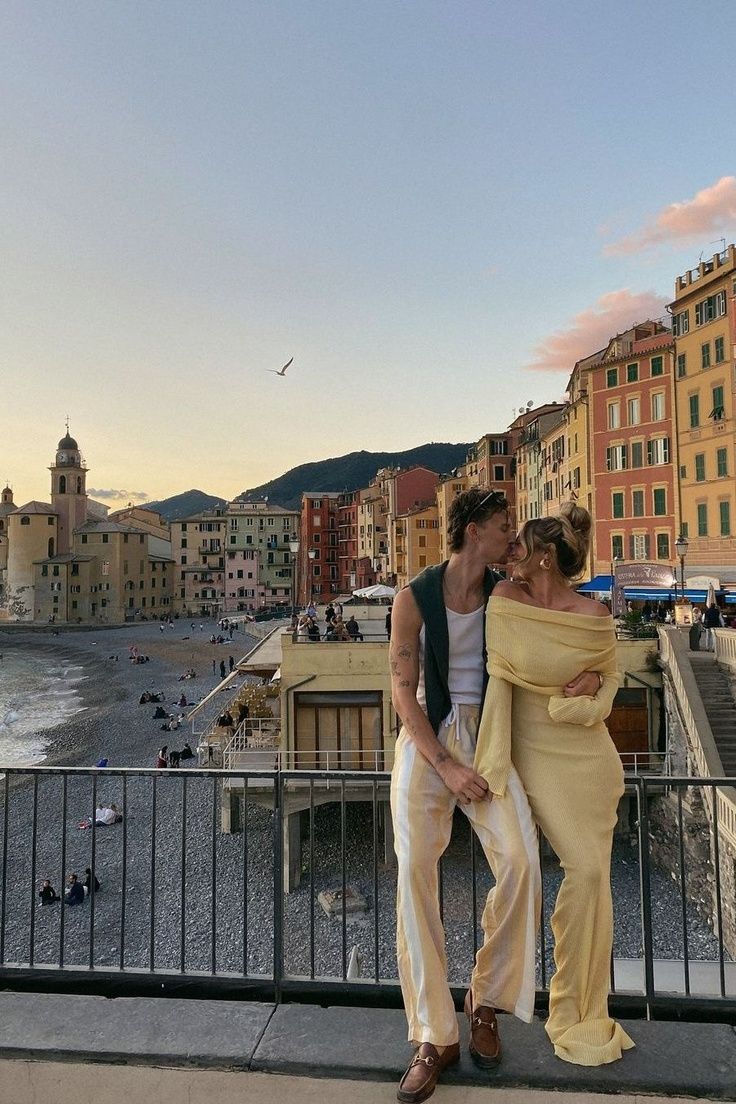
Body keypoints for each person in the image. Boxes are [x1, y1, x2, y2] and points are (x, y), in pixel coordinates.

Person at [475, 504, 635, 1067]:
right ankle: (487, 999)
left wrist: (593, 687)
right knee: (517, 872)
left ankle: (577, 1006)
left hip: (585, 759)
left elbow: (613, 677)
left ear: (544, 556)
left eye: (519, 545)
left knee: (590, 874)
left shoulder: (593, 615)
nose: (510, 553)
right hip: (520, 753)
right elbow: (505, 664)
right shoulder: (504, 601)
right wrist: (570, 679)